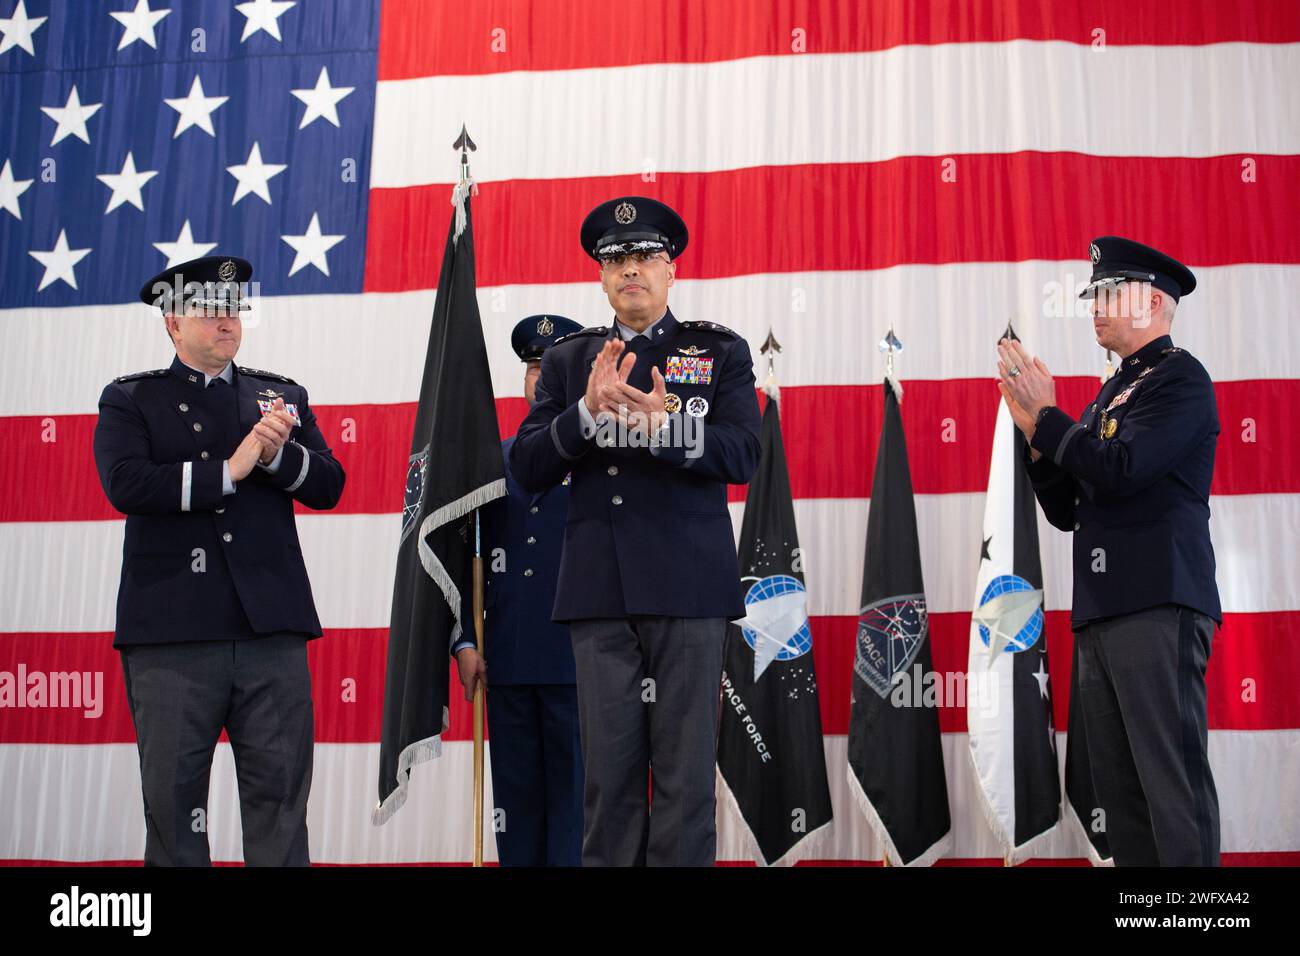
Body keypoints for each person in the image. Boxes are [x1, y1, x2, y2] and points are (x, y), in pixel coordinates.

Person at [508, 196, 761, 866]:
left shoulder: (718, 350)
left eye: (645, 256)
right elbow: (528, 468)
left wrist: (664, 429)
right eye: (616, 258)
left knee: (684, 786)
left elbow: (743, 455)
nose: (630, 269)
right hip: (601, 595)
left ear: (670, 269)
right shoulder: (568, 362)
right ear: (600, 274)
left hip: (689, 589)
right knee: (609, 787)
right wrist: (586, 414)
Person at [92, 254, 346, 866]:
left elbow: (330, 486)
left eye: (233, 308)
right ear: (172, 324)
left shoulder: (280, 395)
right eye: (207, 310)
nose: (225, 321)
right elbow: (127, 484)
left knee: (281, 800)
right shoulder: (132, 399)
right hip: (174, 633)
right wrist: (229, 471)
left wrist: (274, 458)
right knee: (175, 807)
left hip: (271, 631)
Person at [996, 236, 1221, 866]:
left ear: (1153, 302)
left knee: (1170, 787)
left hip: (1157, 606)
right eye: (1092, 293)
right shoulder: (1105, 397)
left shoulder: (1180, 379)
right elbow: (1070, 510)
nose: (1093, 304)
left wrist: (1050, 419)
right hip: (1104, 611)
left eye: (1108, 292)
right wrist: (1037, 441)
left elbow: (1123, 469)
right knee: (1121, 797)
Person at [452, 314, 586, 866]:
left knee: (580, 811)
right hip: (504, 657)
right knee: (516, 809)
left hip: (583, 660)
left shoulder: (605, 458)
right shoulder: (489, 461)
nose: (540, 377)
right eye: (535, 367)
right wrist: (463, 640)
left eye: (553, 367)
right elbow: (462, 558)